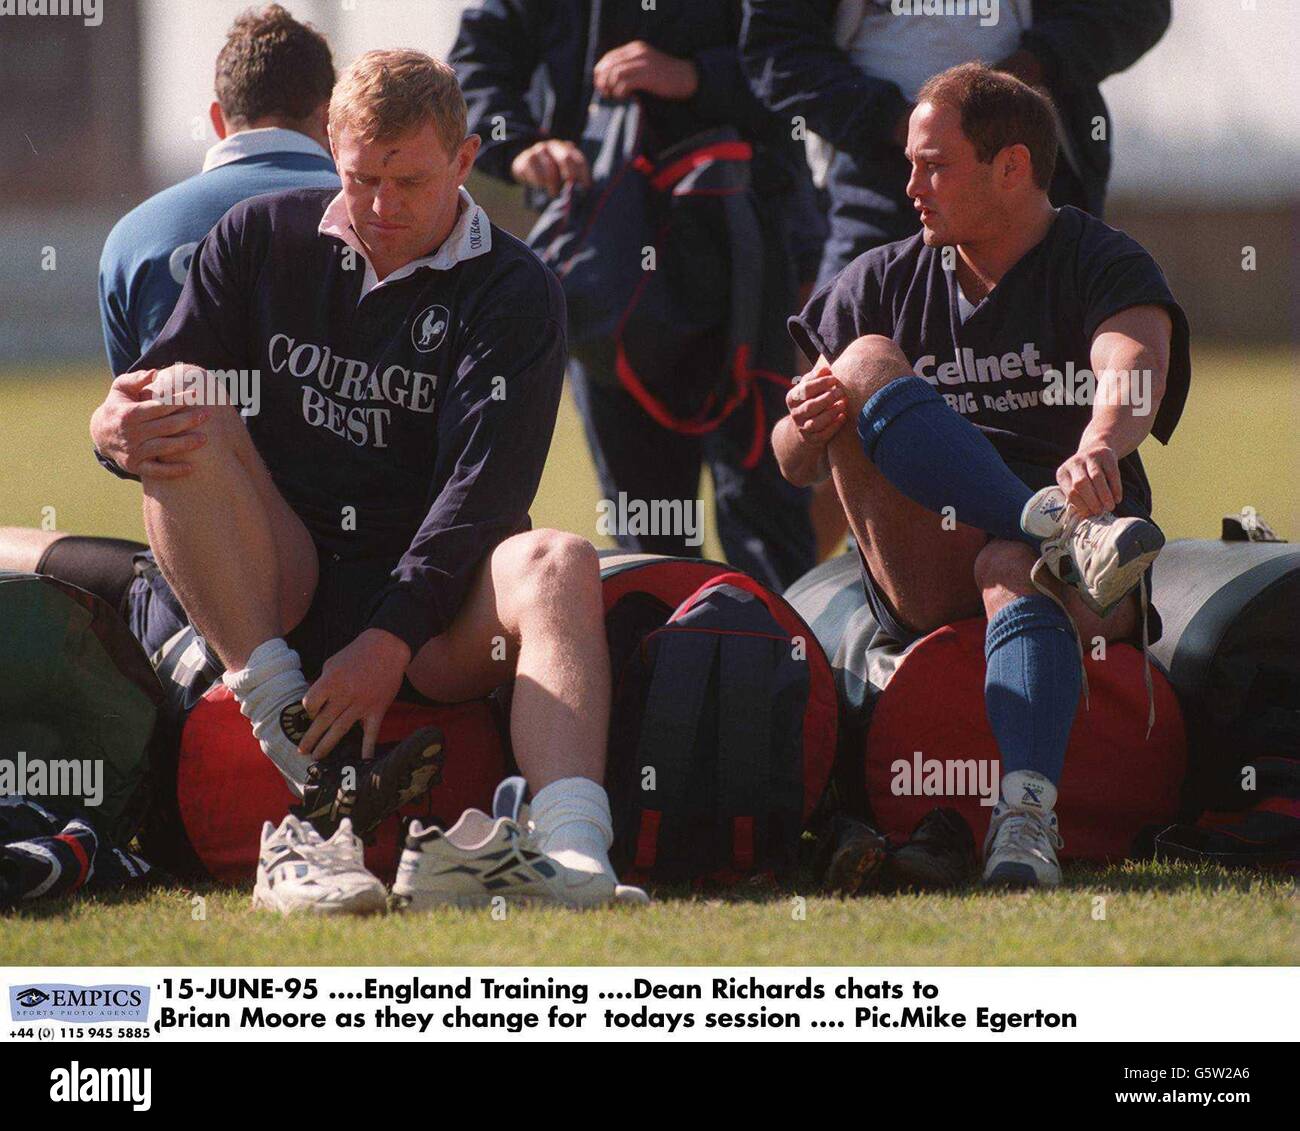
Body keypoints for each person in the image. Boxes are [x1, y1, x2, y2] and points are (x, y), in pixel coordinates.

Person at [32, 50, 644, 909]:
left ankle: (573, 854)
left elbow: (485, 493)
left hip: (440, 612)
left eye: (409, 183)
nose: (382, 208)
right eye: (360, 180)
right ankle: (298, 745)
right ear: (329, 149)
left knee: (560, 559)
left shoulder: (516, 287)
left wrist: (389, 636)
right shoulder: (259, 236)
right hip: (285, 583)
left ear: (465, 163)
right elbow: (150, 396)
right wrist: (109, 428)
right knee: (178, 396)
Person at [774, 64, 1190, 888]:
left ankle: (1025, 822)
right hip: (947, 554)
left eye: (934, 164)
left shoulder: (1102, 259)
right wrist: (808, 422)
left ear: (1013, 167)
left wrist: (1102, 443)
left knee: (1014, 564)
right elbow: (790, 462)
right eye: (909, 163)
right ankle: (1045, 522)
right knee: (861, 360)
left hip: (1080, 547)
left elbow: (1132, 367)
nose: (911, 185)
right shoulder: (882, 277)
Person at [450, 0, 821, 590]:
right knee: (647, 531)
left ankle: (796, 678)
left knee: (765, 511)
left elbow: (801, 64)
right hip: (603, 268)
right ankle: (662, 677)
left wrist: (696, 76)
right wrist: (519, 147)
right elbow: (476, 67)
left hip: (750, 260)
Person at [98, 4, 340, 376]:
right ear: (330, 118)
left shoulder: (136, 236)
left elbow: (133, 414)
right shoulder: (384, 216)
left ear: (217, 118)